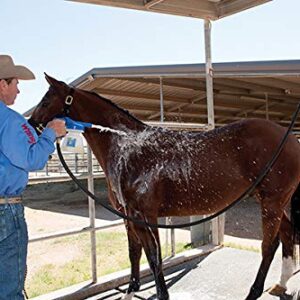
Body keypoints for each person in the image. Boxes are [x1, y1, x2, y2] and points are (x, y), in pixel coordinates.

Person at [0, 55, 66, 299]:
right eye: (16, 82)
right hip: (5, 210)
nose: (19, 89)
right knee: (8, 290)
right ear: (2, 84)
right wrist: (50, 134)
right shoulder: (10, 120)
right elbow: (31, 159)